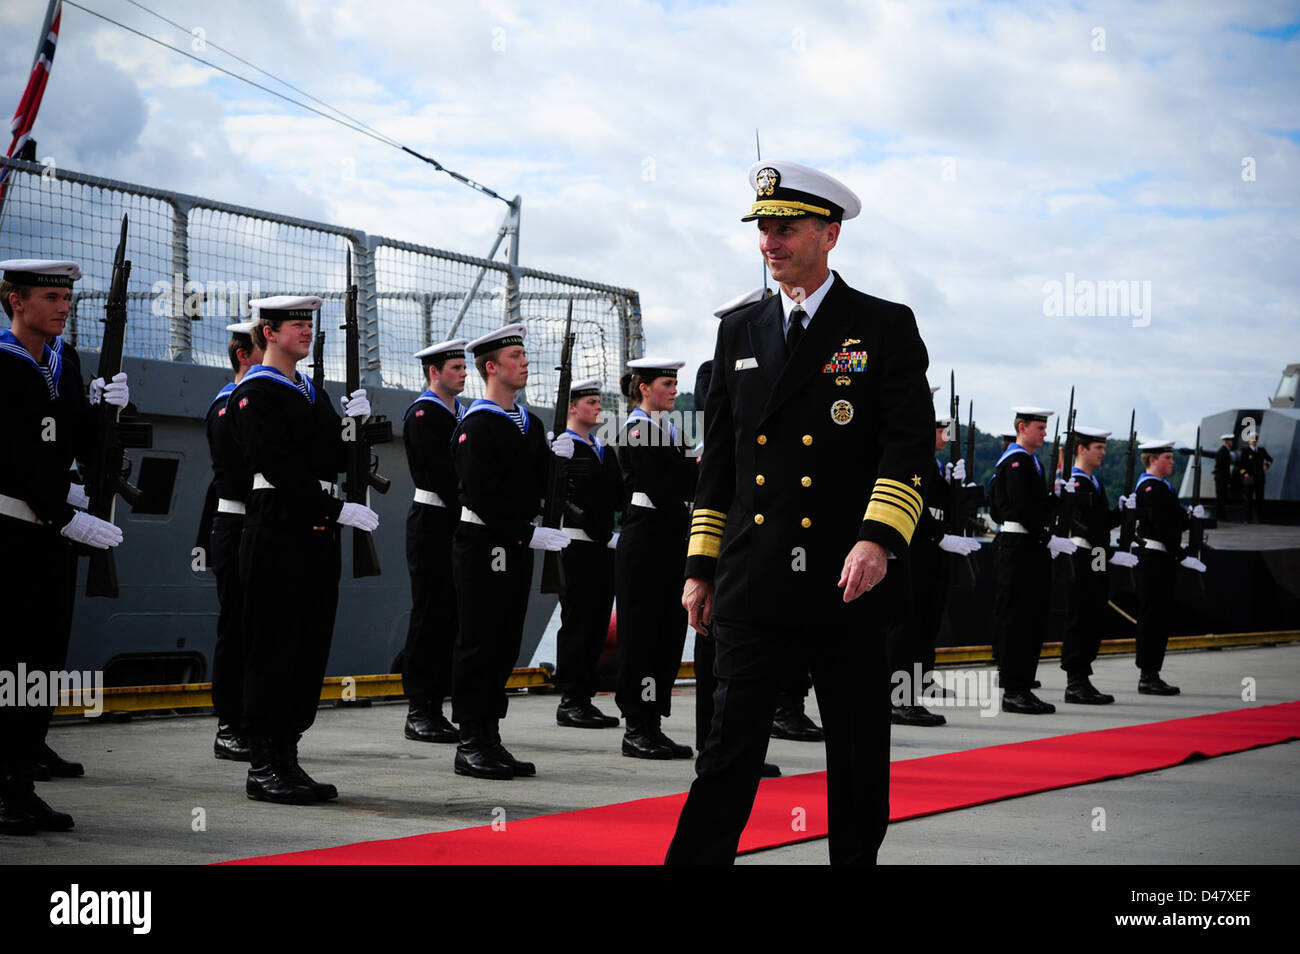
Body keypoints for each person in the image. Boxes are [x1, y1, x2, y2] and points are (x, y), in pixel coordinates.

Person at [666, 159, 933, 865]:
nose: (769, 241)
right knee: (728, 751)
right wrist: (700, 568)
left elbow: (906, 449)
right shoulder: (739, 333)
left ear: (830, 234)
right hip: (756, 575)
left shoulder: (882, 325)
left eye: (786, 227)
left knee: (854, 753)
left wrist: (878, 540)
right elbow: (717, 464)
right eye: (763, 227)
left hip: (848, 579)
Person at [227, 295, 379, 804]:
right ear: (268, 333)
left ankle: (288, 755)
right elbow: (277, 464)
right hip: (278, 527)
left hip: (314, 529)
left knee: (307, 647)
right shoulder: (256, 391)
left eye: (309, 324)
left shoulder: (308, 390)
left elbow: (331, 458)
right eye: (296, 324)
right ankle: (263, 764)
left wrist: (355, 426)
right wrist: (334, 511)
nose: (306, 332)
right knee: (273, 646)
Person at [0, 259, 125, 834]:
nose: (62, 306)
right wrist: (63, 514)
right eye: (50, 296)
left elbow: (73, 445)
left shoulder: (63, 361)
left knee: (42, 661)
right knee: (8, 662)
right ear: (14, 301)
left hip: (49, 533)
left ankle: (19, 783)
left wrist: (108, 411)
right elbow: (10, 459)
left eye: (66, 298)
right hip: (9, 532)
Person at [449, 323, 570, 779]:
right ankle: (470, 740)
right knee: (478, 642)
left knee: (503, 642)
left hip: (514, 544)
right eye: (515, 356)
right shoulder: (477, 423)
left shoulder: (528, 423)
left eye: (524, 354)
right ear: (491, 367)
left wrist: (558, 461)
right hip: (483, 544)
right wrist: (525, 533)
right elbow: (479, 494)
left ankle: (491, 736)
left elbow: (537, 487)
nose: (525, 362)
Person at [690, 292, 780, 777]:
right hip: (733, 519)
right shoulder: (715, 367)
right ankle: (714, 742)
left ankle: (746, 744)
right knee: (716, 646)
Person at [614, 356, 697, 760]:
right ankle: (637, 726)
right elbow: (665, 484)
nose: (674, 389)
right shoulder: (636, 430)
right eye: (667, 383)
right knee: (643, 634)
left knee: (666, 634)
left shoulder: (668, 428)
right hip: (647, 536)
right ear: (644, 388)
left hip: (668, 537)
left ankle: (653, 721)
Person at [892, 400, 980, 726]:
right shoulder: (916, 461)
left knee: (926, 623)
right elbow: (918, 509)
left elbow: (947, 509)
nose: (947, 435)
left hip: (933, 555)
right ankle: (900, 699)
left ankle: (917, 684)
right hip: (917, 551)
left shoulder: (934, 465)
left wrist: (961, 488)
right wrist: (937, 537)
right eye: (943, 428)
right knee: (909, 626)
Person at [400, 338, 469, 744]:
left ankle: (437, 704)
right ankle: (420, 709)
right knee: (429, 614)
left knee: (450, 616)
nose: (462, 372)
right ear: (434, 372)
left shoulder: (461, 413)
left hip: (455, 520)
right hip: (433, 521)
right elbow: (441, 477)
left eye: (463, 366)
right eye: (455, 367)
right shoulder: (424, 414)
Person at [988, 407, 1077, 715]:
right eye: (1039, 427)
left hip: (1028, 545)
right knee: (1020, 620)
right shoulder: (1016, 462)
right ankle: (1014, 690)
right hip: (1021, 546)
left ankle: (1022, 685)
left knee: (1032, 619)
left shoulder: (1029, 462)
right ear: (1021, 427)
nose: (1044, 433)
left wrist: (1059, 499)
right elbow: (1019, 509)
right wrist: (1046, 538)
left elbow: (1032, 507)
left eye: (1045, 427)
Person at [200, 320, 262, 761]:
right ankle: (229, 726)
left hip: (257, 526)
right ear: (244, 355)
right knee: (237, 629)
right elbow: (238, 477)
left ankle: (252, 719)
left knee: (259, 630)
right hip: (237, 525)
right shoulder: (228, 406)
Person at [553, 378, 623, 729]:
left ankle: (585, 695)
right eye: (591, 402)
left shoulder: (601, 448)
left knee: (596, 623)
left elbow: (615, 497)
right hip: (576, 543)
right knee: (578, 622)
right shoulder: (563, 446)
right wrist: (603, 534)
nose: (598, 408)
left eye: (598, 402)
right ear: (572, 407)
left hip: (601, 546)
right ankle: (570, 699)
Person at [1059, 426, 1135, 704]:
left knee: (1094, 614)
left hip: (1096, 556)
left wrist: (1121, 513)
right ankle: (1074, 681)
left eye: (1103, 448)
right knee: (1081, 616)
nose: (1103, 453)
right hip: (1085, 556)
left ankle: (1083, 676)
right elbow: (1087, 528)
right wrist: (1110, 553)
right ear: (1081, 449)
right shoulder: (1077, 483)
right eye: (1098, 448)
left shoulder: (1094, 482)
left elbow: (1101, 524)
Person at [1131, 440, 1207, 694]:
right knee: (1152, 618)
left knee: (1160, 617)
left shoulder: (1164, 488)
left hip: (1161, 559)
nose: (1172, 462)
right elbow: (1163, 527)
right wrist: (1180, 555)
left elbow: (1174, 522)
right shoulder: (1151, 488)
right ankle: (1148, 675)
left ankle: (1153, 672)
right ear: (1153, 459)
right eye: (1168, 457)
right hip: (1154, 558)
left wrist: (1191, 519)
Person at [1239, 437, 1272, 524]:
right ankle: (1247, 519)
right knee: (1248, 499)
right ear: (1249, 441)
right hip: (1249, 478)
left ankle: (1261, 519)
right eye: (1252, 440)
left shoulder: (1261, 450)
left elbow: (1270, 459)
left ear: (1257, 441)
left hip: (1260, 478)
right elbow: (1241, 465)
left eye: (1255, 440)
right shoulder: (1245, 451)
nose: (1253, 442)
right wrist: (1244, 473)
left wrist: (1266, 466)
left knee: (1260, 499)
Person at [1212, 433, 1235, 521]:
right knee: (1220, 497)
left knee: (1222, 496)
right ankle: (1219, 516)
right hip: (1221, 478)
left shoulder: (1225, 451)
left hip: (1222, 477)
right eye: (1230, 441)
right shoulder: (1223, 451)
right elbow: (1221, 466)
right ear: (1226, 441)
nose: (1231, 442)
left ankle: (1220, 515)